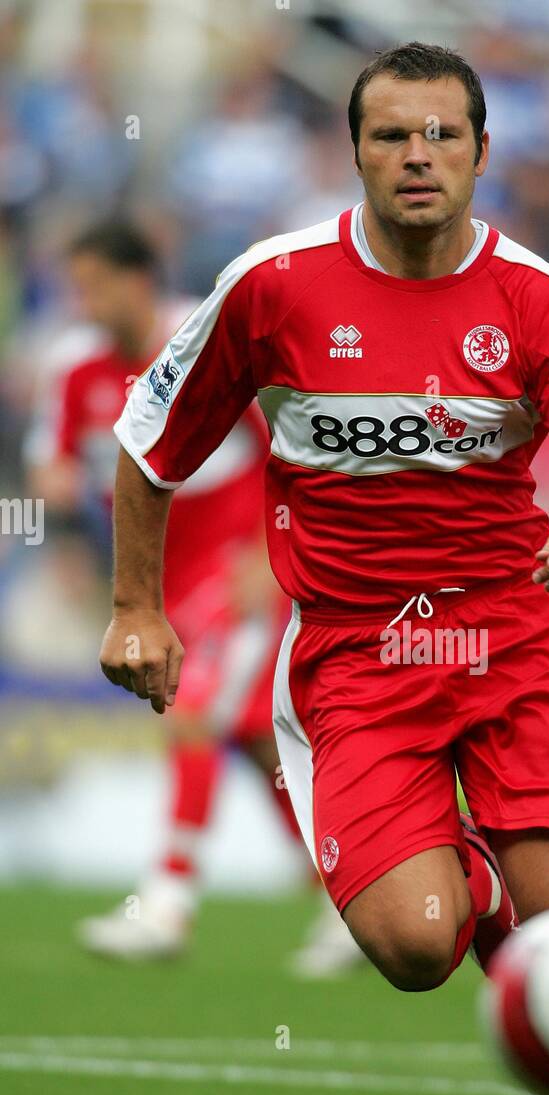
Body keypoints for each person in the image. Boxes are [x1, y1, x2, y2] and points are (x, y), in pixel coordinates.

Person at [99, 44, 549, 1095]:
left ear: (478, 151)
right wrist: (137, 607)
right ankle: (483, 887)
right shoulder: (275, 288)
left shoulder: (535, 301)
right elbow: (149, 443)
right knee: (419, 946)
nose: (418, 156)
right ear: (354, 151)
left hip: (522, 642)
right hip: (358, 661)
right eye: (391, 136)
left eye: (443, 136)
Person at [35, 220, 355, 968]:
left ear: (138, 281)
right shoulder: (73, 370)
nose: (82, 303)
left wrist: (272, 552)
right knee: (253, 746)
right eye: (75, 287)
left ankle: (167, 904)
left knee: (192, 709)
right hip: (160, 588)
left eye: (93, 286)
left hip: (236, 573)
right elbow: (52, 465)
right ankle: (350, 901)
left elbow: (290, 442)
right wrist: (52, 489)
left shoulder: (200, 341)